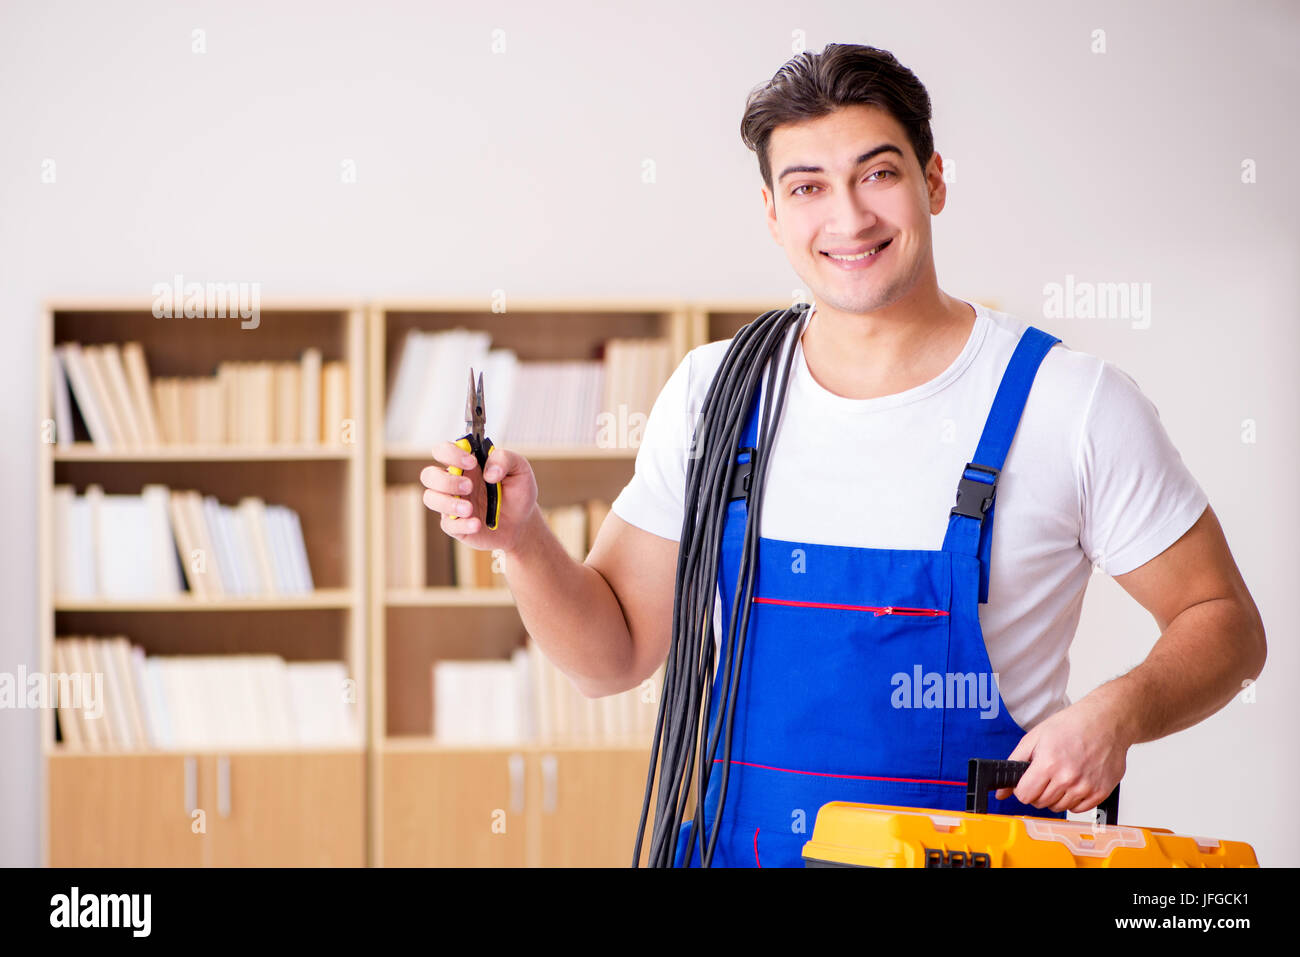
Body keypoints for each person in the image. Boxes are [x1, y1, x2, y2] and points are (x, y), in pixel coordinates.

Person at [420, 43, 1266, 867]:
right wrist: (521, 539)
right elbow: (612, 660)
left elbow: (1224, 623)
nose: (850, 217)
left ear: (933, 180)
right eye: (809, 187)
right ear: (773, 212)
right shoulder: (717, 393)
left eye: (879, 173)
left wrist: (1118, 711)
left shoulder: (1070, 403)